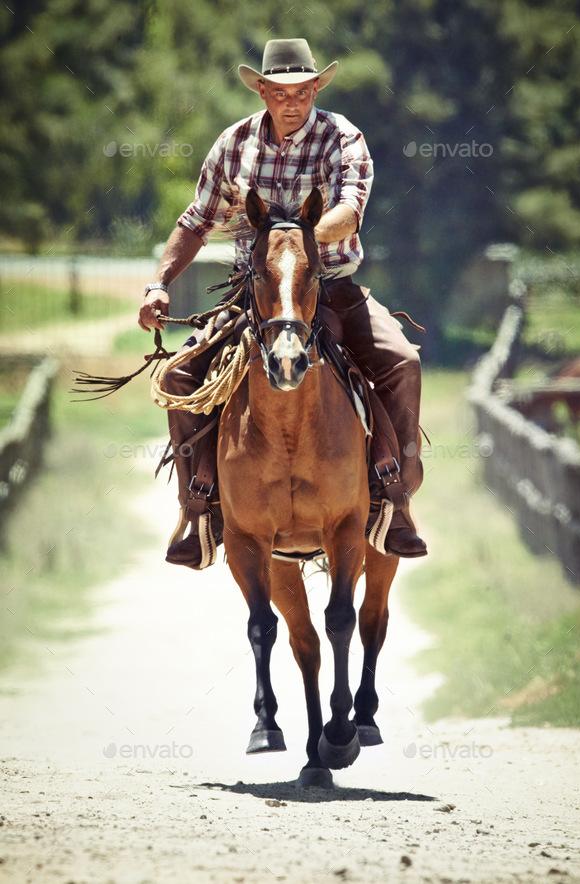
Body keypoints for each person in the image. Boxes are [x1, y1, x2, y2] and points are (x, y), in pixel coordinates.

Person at [138, 38, 427, 570]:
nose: (292, 101)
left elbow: (349, 210)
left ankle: (395, 500)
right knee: (181, 376)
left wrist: (292, 244)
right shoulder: (234, 144)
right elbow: (196, 220)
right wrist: (158, 284)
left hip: (329, 284)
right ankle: (199, 512)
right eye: (280, 92)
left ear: (316, 88)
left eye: (302, 90)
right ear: (264, 90)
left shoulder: (343, 137)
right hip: (255, 292)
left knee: (402, 361)